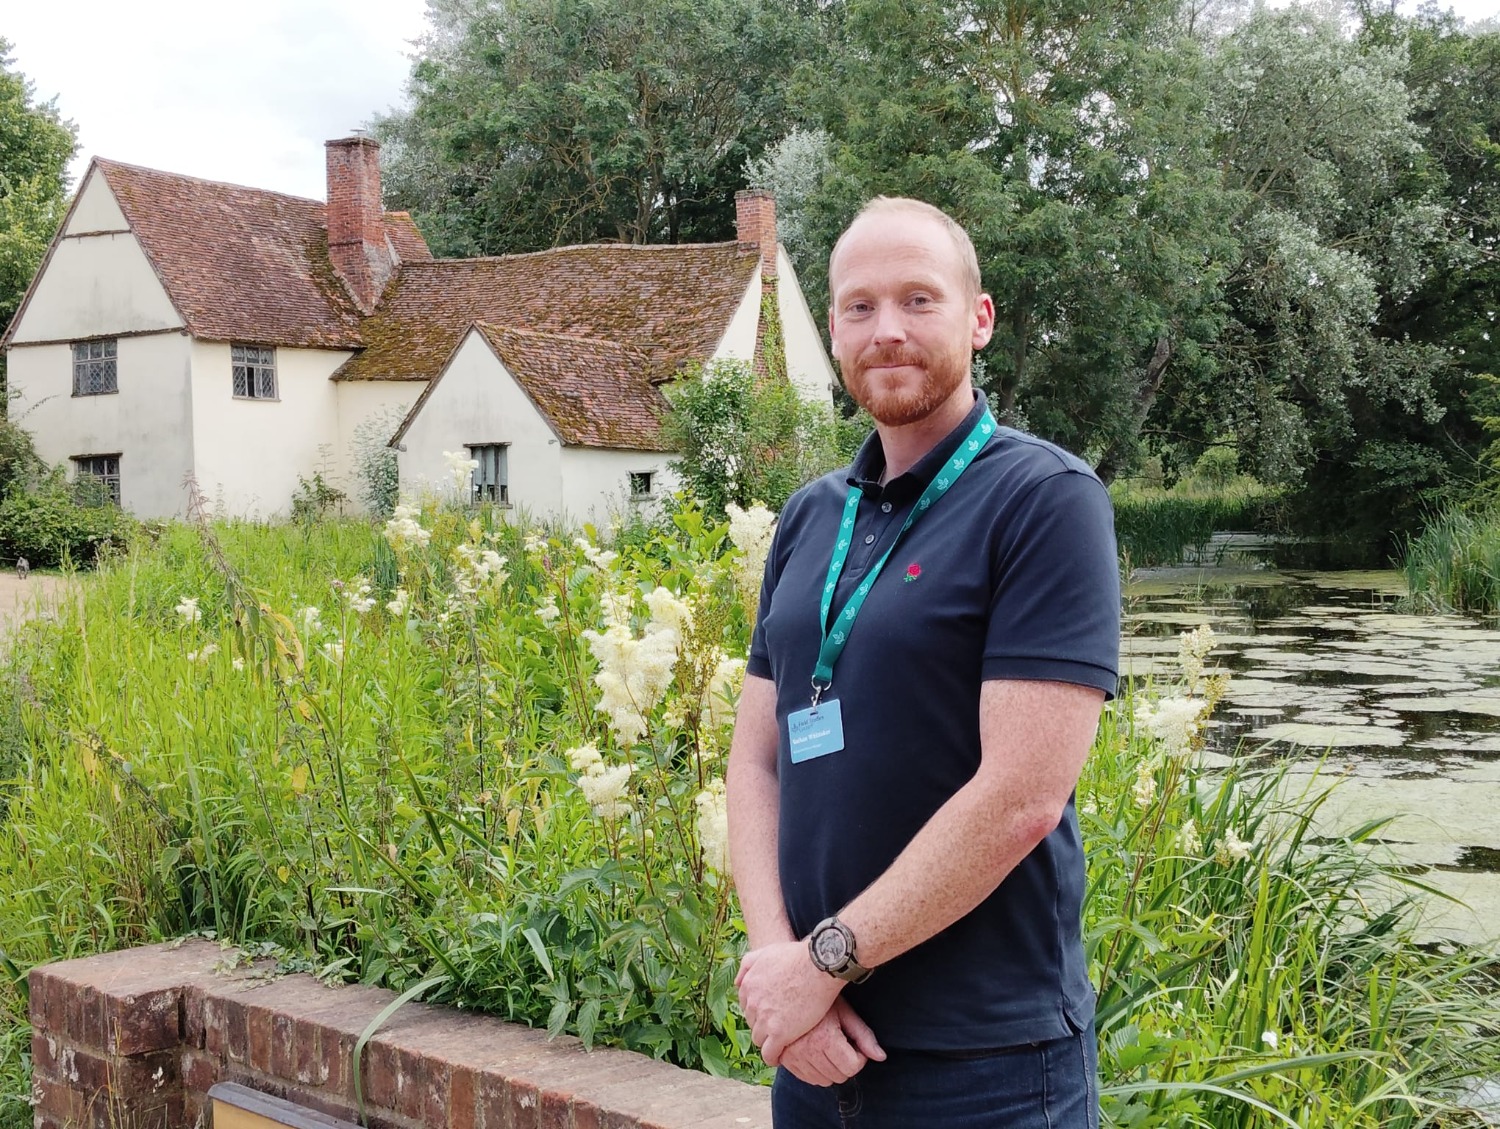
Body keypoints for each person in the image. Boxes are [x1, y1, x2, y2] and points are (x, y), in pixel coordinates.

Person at [726, 197, 1120, 1128]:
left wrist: (822, 961)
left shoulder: (1046, 501)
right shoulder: (811, 515)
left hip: (986, 1065)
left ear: (978, 320)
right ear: (832, 328)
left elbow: (1023, 797)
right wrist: (783, 970)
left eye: (918, 299)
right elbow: (756, 756)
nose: (887, 330)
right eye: (859, 307)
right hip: (818, 1055)